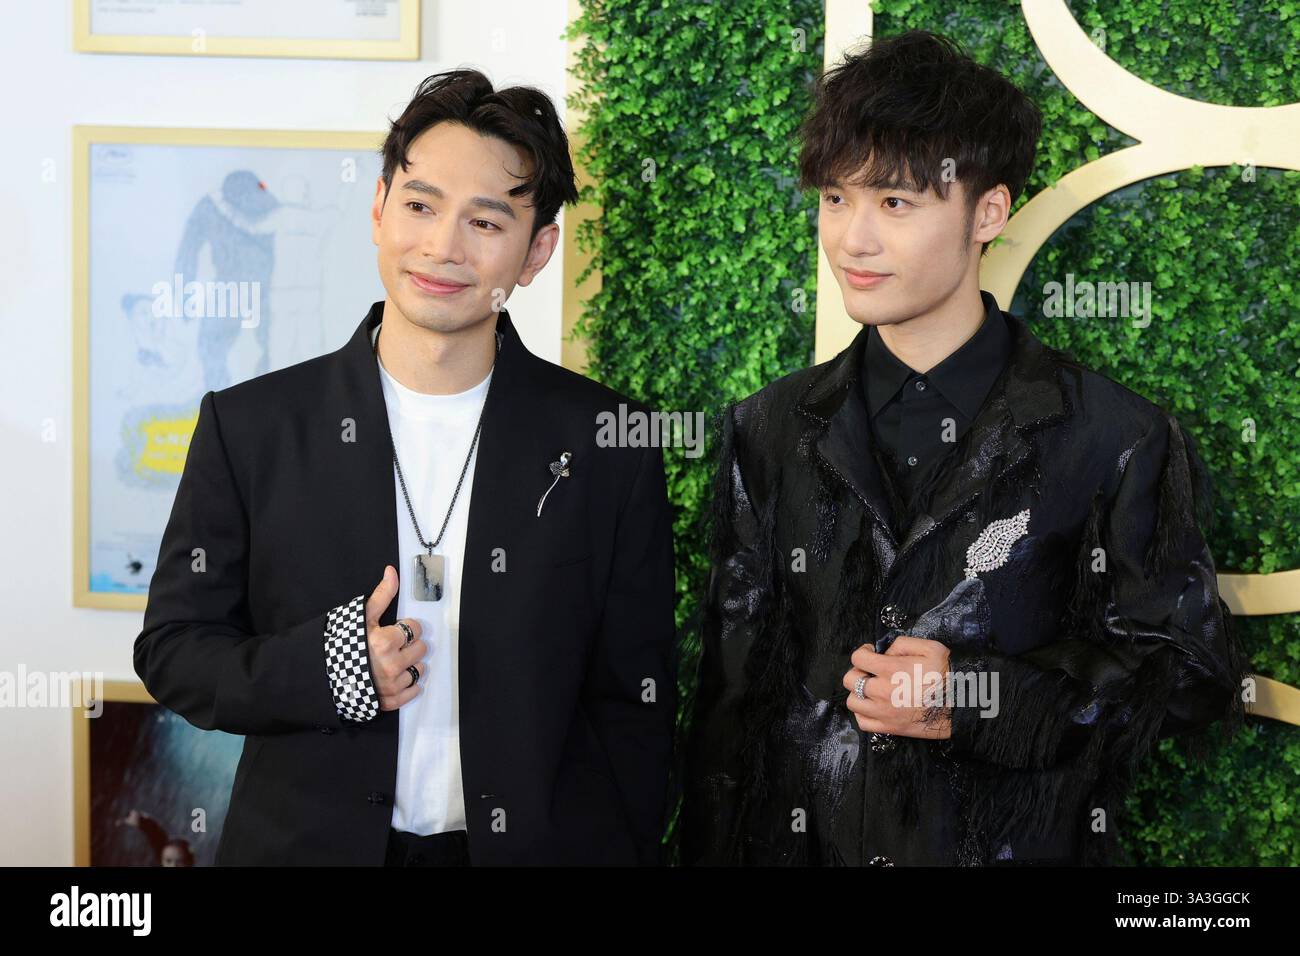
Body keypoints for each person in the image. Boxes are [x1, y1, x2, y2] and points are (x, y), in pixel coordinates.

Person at [681, 30, 1248, 866]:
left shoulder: (1113, 435)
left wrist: (977, 697)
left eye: (895, 203)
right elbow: (731, 713)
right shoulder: (766, 428)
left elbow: (1188, 677)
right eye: (836, 200)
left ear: (989, 210)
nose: (852, 240)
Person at [135, 69, 677, 866]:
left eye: (486, 221)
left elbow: (638, 697)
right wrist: (326, 669)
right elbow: (175, 651)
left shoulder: (610, 439)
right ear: (380, 208)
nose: (442, 248)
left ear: (536, 252)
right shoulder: (252, 427)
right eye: (421, 206)